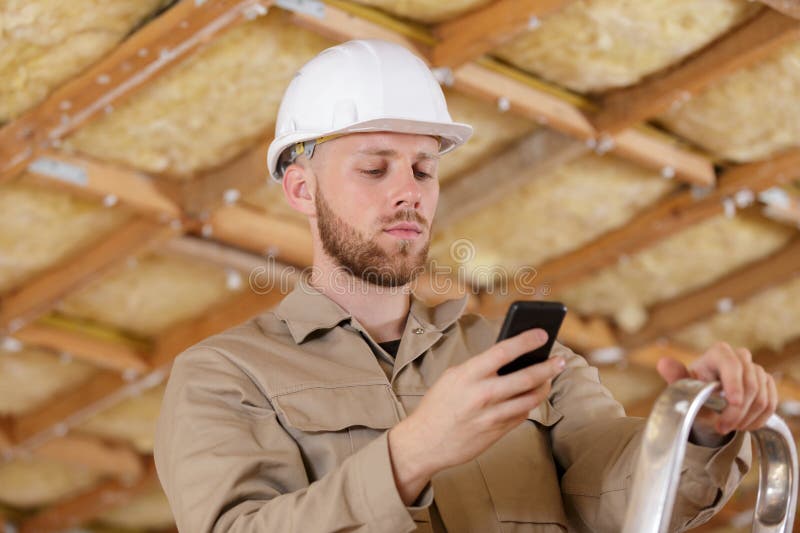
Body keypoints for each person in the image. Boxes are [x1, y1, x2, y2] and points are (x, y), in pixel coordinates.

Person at [154, 39, 777, 533]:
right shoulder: (225, 375)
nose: (409, 191)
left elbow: (625, 501)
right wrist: (409, 456)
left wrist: (697, 431)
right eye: (375, 167)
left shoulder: (525, 358)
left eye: (424, 169)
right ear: (300, 189)